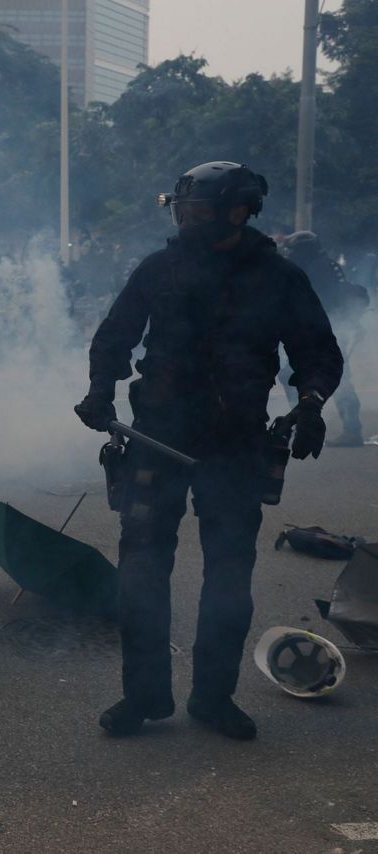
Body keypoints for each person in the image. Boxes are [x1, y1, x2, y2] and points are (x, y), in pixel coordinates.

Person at [74, 162, 343, 740]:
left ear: (238, 211)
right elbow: (115, 336)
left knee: (229, 577)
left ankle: (213, 698)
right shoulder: (159, 268)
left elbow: (319, 352)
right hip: (158, 438)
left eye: (197, 211)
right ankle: (143, 698)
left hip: (236, 445)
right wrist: (99, 392)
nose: (186, 220)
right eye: (183, 210)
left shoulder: (279, 278)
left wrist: (312, 403)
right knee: (142, 572)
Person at [279, 231, 369, 446]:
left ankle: (347, 430)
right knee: (329, 377)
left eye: (293, 249)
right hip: (324, 329)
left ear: (303, 249)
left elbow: (317, 301)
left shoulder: (315, 269)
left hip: (325, 330)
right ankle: (309, 424)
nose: (289, 253)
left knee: (337, 379)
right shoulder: (323, 265)